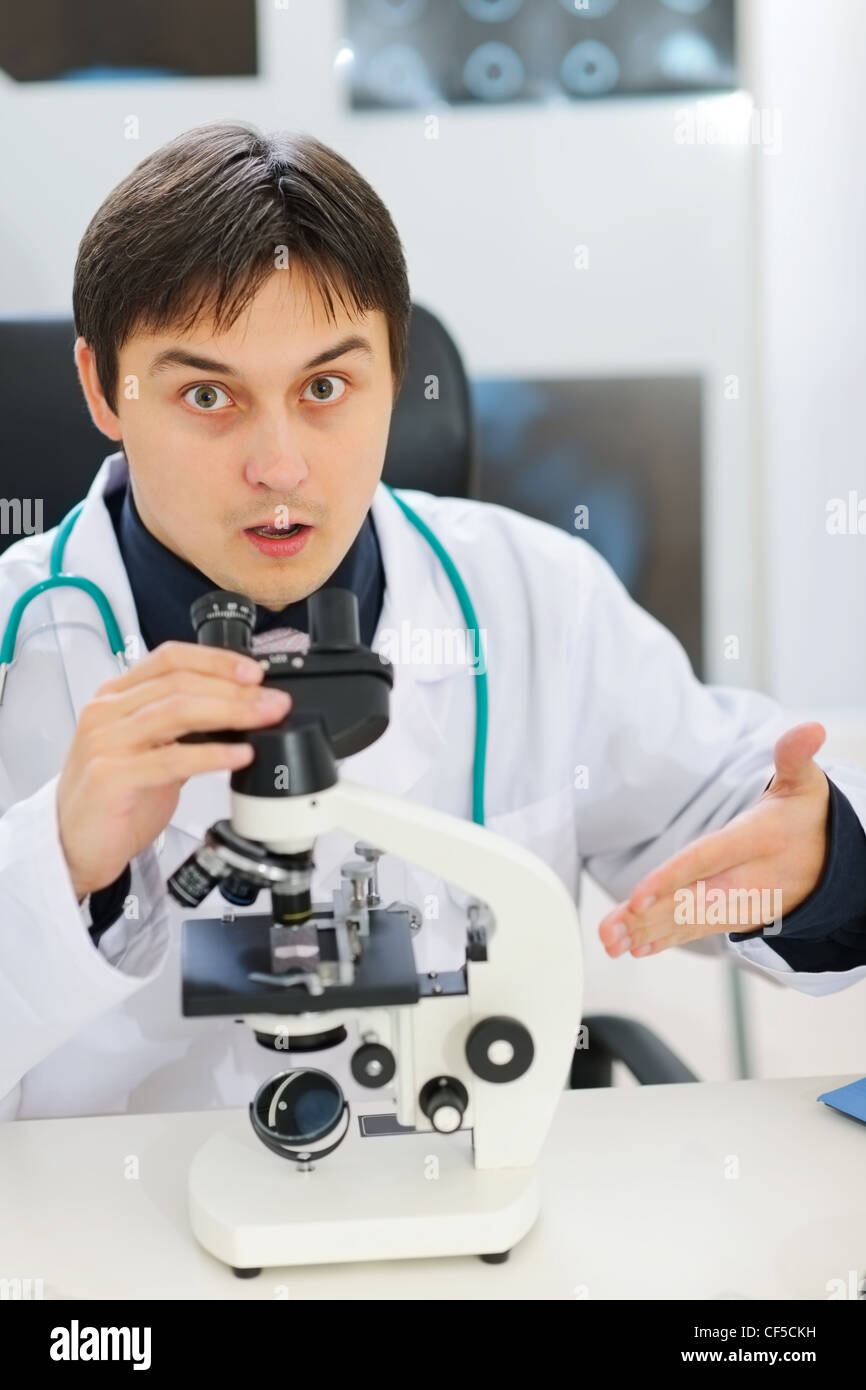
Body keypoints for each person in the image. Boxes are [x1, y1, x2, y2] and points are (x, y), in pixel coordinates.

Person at [1, 122, 864, 1123]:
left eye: (324, 388)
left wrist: (823, 862)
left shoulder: (535, 596)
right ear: (103, 388)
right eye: (207, 394)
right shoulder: (18, 646)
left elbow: (733, 813)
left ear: (393, 376)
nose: (278, 464)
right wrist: (52, 866)